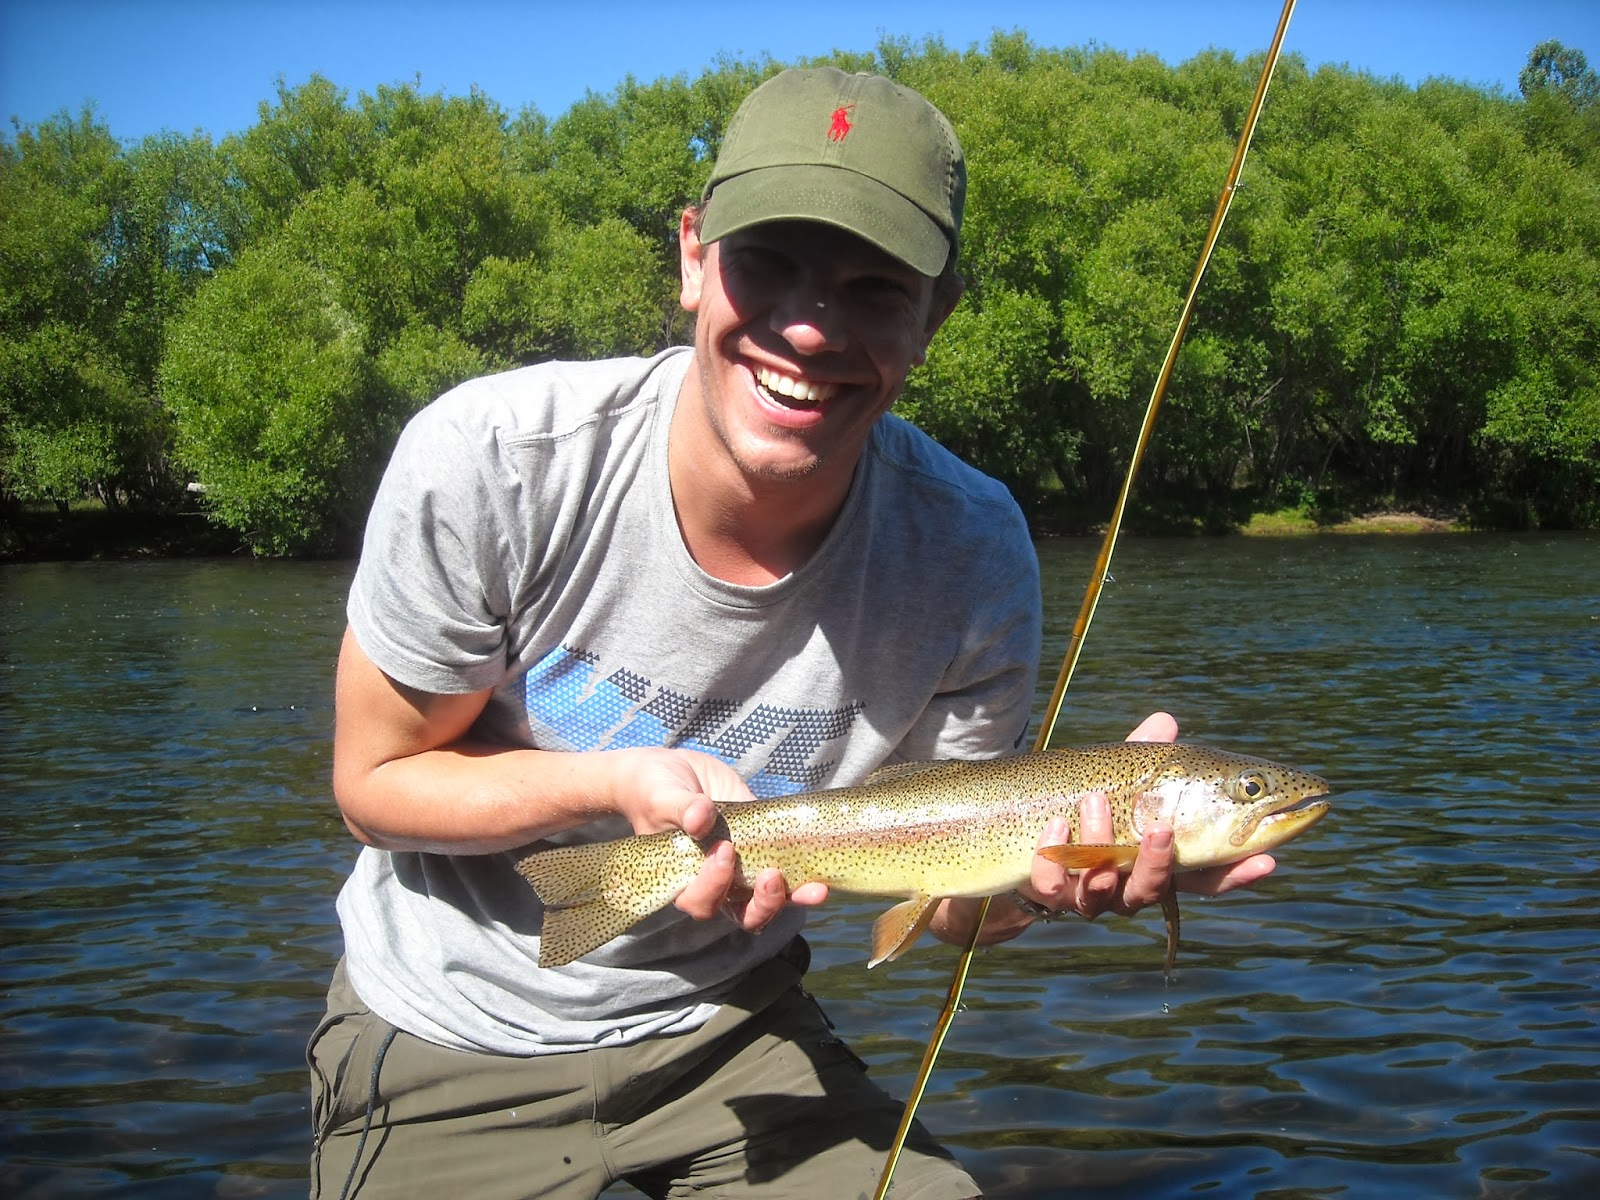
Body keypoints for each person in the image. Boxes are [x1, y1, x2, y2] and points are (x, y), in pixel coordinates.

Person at [307, 66, 1275, 1200]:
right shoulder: (494, 457)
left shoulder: (971, 552)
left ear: (936, 317)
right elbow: (374, 781)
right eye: (768, 263)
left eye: (874, 287)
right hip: (446, 1036)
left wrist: (1060, 883)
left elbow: (957, 901)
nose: (810, 326)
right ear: (690, 257)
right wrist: (612, 783)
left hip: (738, 1025)